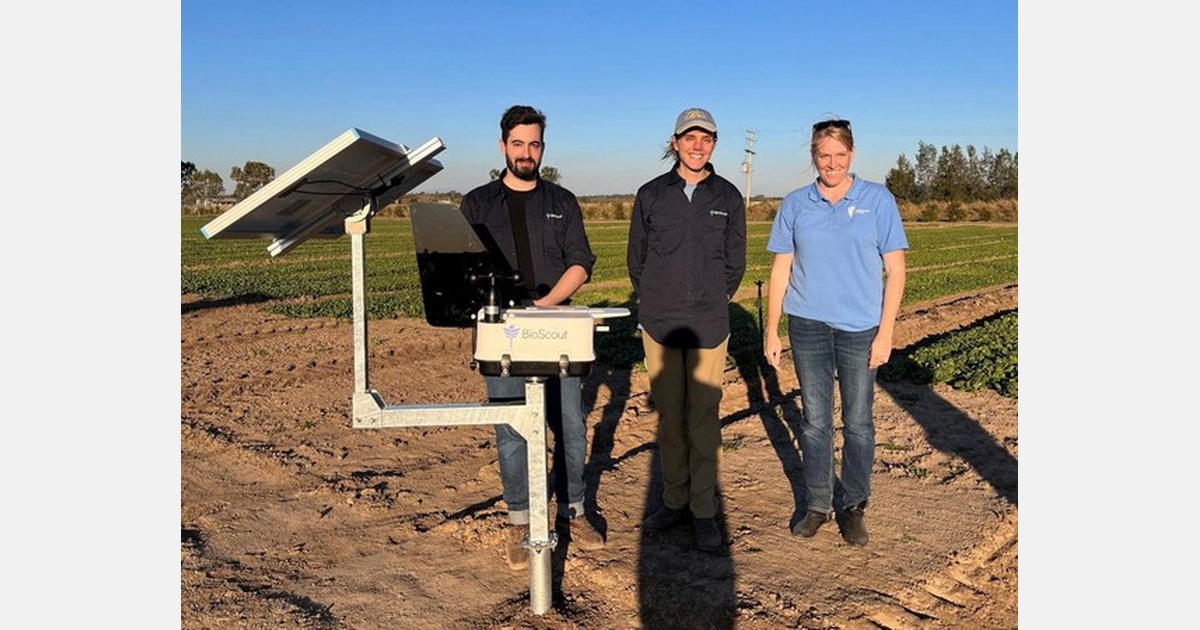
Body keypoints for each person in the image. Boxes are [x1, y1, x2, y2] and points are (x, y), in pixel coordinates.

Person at [460, 105, 602, 570]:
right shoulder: (476, 204)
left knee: (571, 423)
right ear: (503, 146)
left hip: (555, 327)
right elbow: (463, 271)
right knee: (512, 430)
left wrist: (546, 305)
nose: (527, 152)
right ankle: (520, 520)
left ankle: (573, 510)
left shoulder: (563, 201)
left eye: (534, 144)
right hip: (501, 333)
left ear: (543, 148)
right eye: (518, 144)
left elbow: (580, 262)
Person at [763, 116, 908, 547]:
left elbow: (896, 272)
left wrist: (886, 333)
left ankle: (854, 504)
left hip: (861, 329)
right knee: (814, 422)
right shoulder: (795, 204)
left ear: (852, 154)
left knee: (859, 421)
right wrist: (772, 330)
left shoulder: (877, 200)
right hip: (807, 326)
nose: (832, 163)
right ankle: (818, 503)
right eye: (824, 156)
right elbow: (781, 268)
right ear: (813, 156)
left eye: (840, 155)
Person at [627, 107, 746, 553]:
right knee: (671, 417)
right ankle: (674, 500)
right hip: (660, 324)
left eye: (707, 138)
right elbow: (636, 260)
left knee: (704, 418)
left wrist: (713, 297)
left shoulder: (728, 197)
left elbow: (735, 264)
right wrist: (656, 297)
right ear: (674, 142)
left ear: (714, 145)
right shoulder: (652, 195)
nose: (698, 146)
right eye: (689, 138)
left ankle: (703, 510)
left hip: (709, 326)